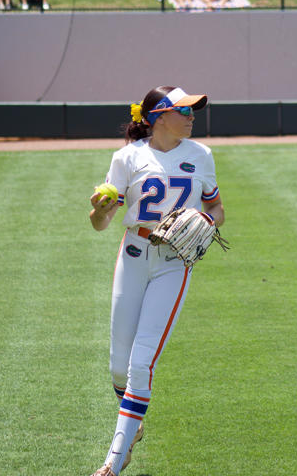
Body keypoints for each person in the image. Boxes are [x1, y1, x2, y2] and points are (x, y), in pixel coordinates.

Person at [88, 86, 225, 476]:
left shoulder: (201, 155)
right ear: (160, 116)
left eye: (194, 111)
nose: (193, 116)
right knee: (119, 366)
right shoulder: (127, 158)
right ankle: (135, 423)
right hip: (133, 255)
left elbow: (215, 206)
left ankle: (113, 462)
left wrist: (207, 221)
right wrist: (98, 212)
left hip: (173, 262)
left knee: (141, 361)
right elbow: (101, 223)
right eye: (184, 110)